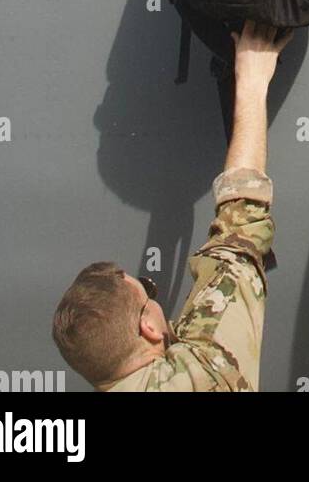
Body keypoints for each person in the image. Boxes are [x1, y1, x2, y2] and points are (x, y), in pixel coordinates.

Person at [51, 22, 289, 392]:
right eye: (149, 289)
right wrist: (253, 80)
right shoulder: (203, 373)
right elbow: (241, 228)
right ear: (147, 327)